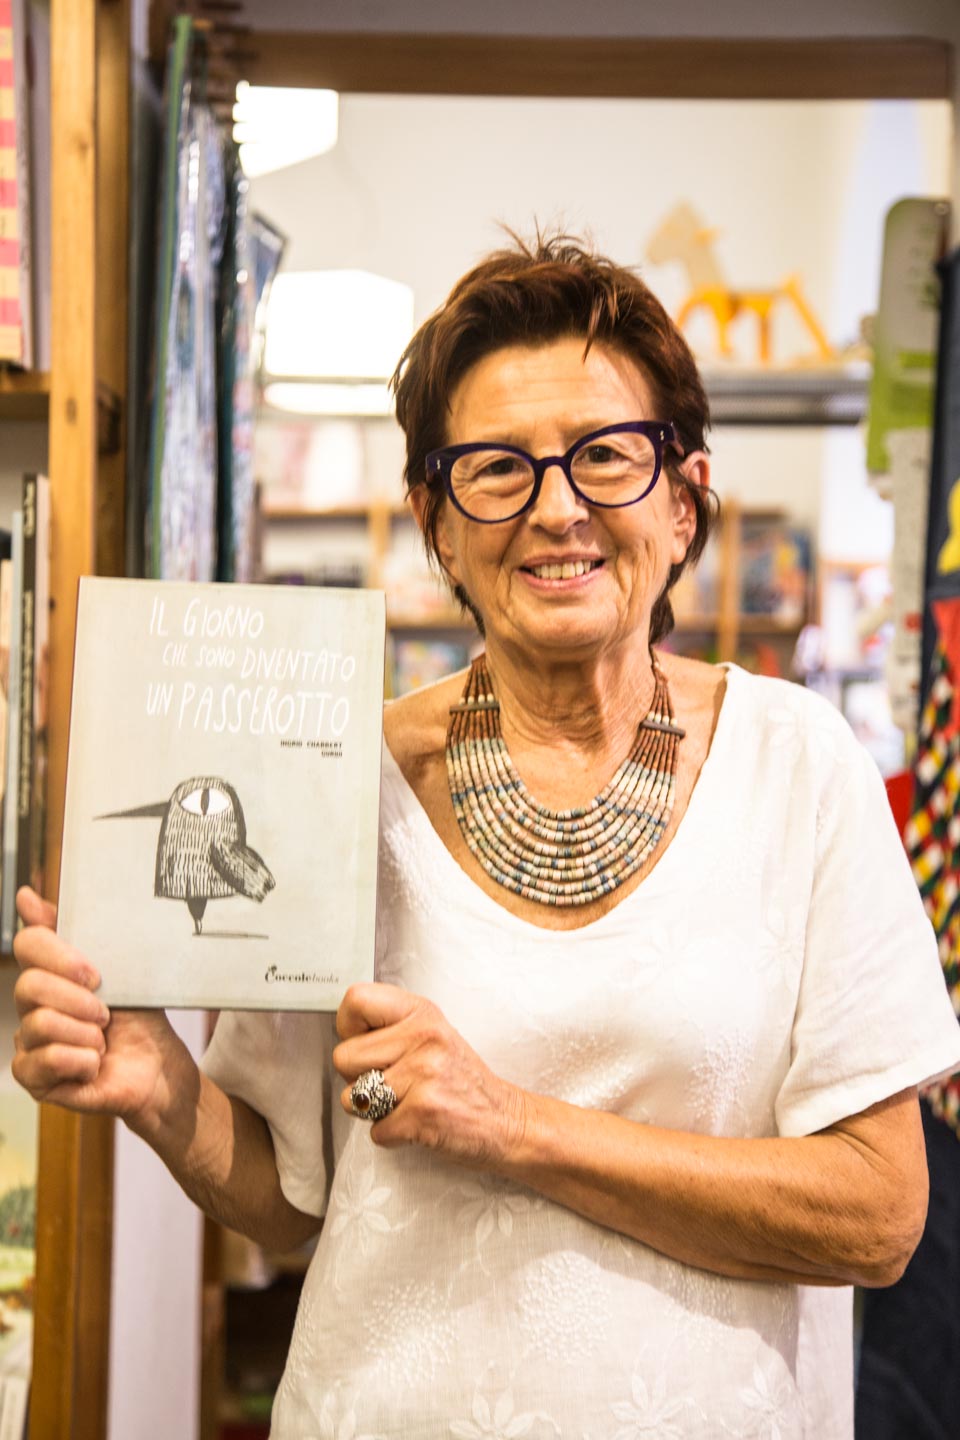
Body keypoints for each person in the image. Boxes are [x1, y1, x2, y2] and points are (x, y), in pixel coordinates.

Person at [12, 235, 960, 1440]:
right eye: (497, 470)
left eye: (606, 458)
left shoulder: (799, 766)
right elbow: (293, 1202)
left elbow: (879, 1217)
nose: (556, 508)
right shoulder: (335, 774)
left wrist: (507, 1123)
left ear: (683, 500)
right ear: (437, 521)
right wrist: (161, 1090)